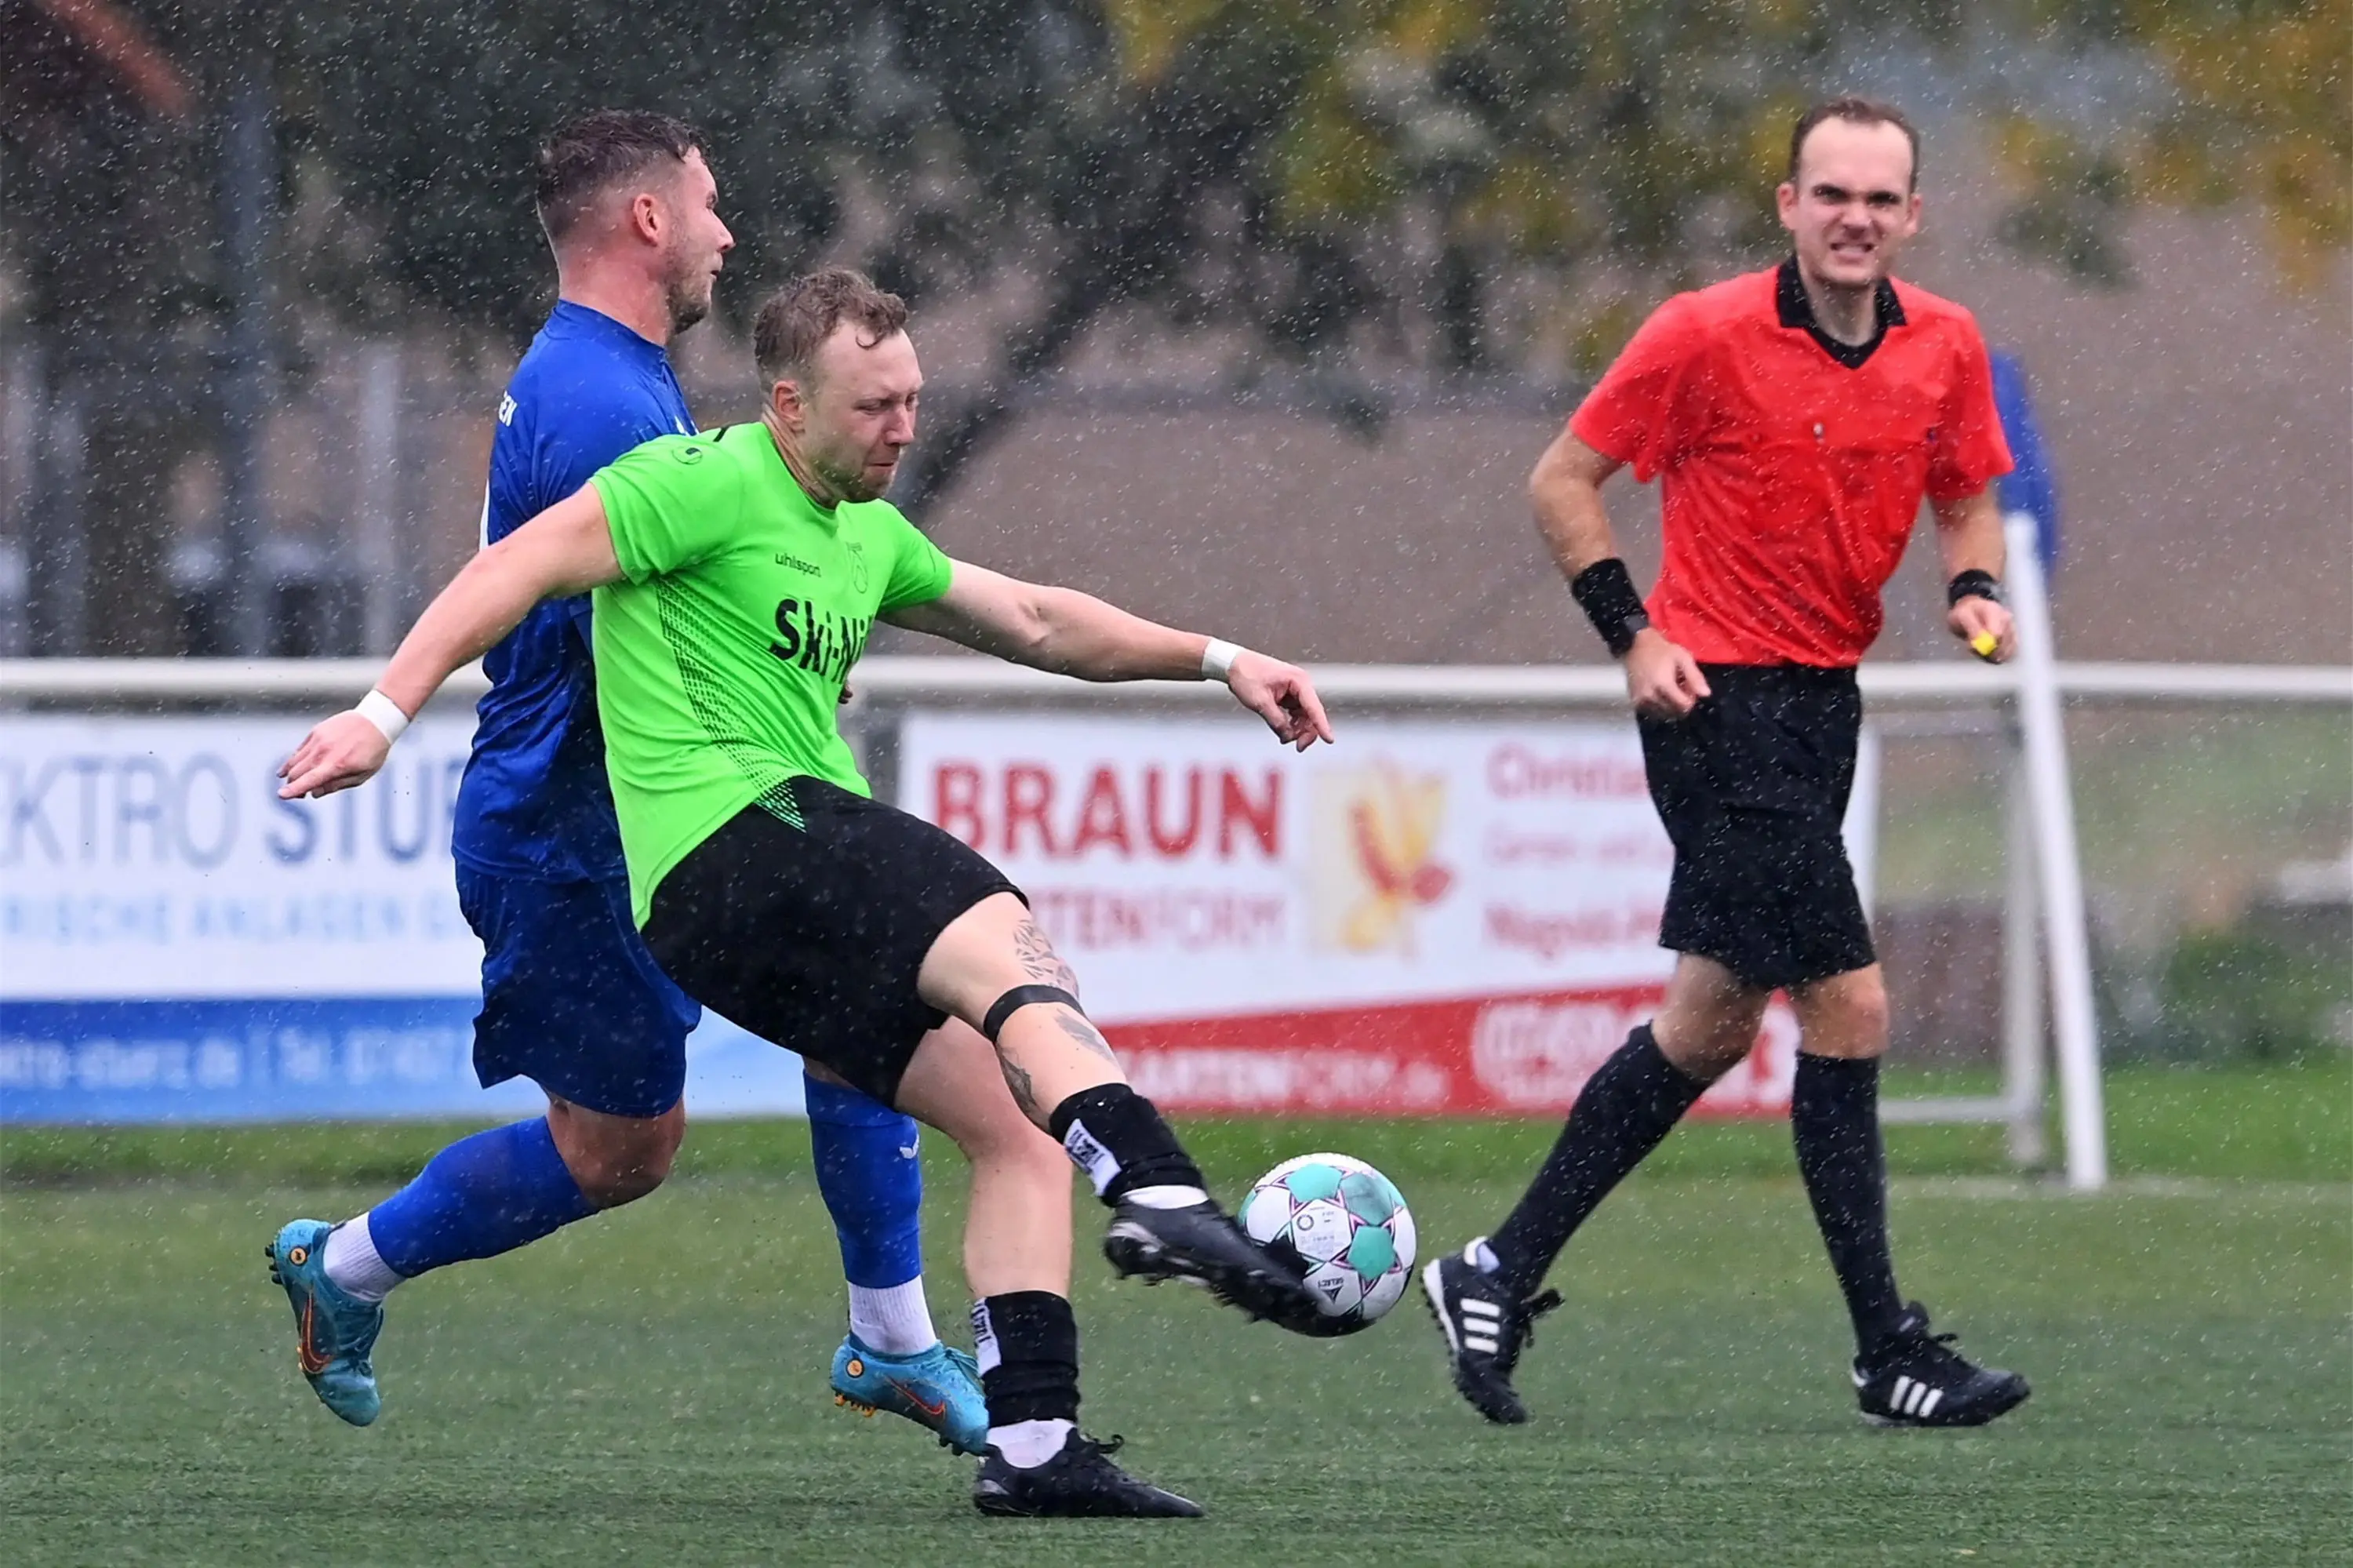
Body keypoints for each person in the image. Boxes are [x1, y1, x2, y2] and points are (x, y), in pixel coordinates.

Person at [277, 266, 1333, 1517]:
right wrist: (383, 712)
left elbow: (1039, 621)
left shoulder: (869, 535)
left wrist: (1220, 659)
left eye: (913, 400)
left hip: (769, 885)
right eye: (875, 405)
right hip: (729, 842)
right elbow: (514, 567)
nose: (903, 428)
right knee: (998, 931)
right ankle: (1155, 1185)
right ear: (788, 404)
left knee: (1012, 1127)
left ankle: (1036, 1441)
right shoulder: (702, 481)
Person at [263, 112, 991, 1452]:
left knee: (859, 993)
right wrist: (383, 708)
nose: (726, 233)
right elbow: (577, 595)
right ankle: (345, 1264)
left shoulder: (616, 376)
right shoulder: (602, 397)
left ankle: (892, 1336)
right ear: (649, 221)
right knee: (620, 1151)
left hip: (653, 806)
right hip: (576, 826)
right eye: (708, 204)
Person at [1421, 97, 2031, 1430]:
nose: (1855, 218)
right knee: (1852, 1008)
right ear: (1789, 205)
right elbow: (1562, 480)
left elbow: (1967, 489)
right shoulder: (1702, 332)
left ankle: (1495, 1267)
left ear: (1913, 215)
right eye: (1833, 194)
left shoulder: (1946, 344)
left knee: (1707, 1024)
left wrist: (1973, 586)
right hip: (1713, 704)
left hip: (1821, 708)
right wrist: (1631, 636)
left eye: (1880, 198)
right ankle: (1889, 1349)